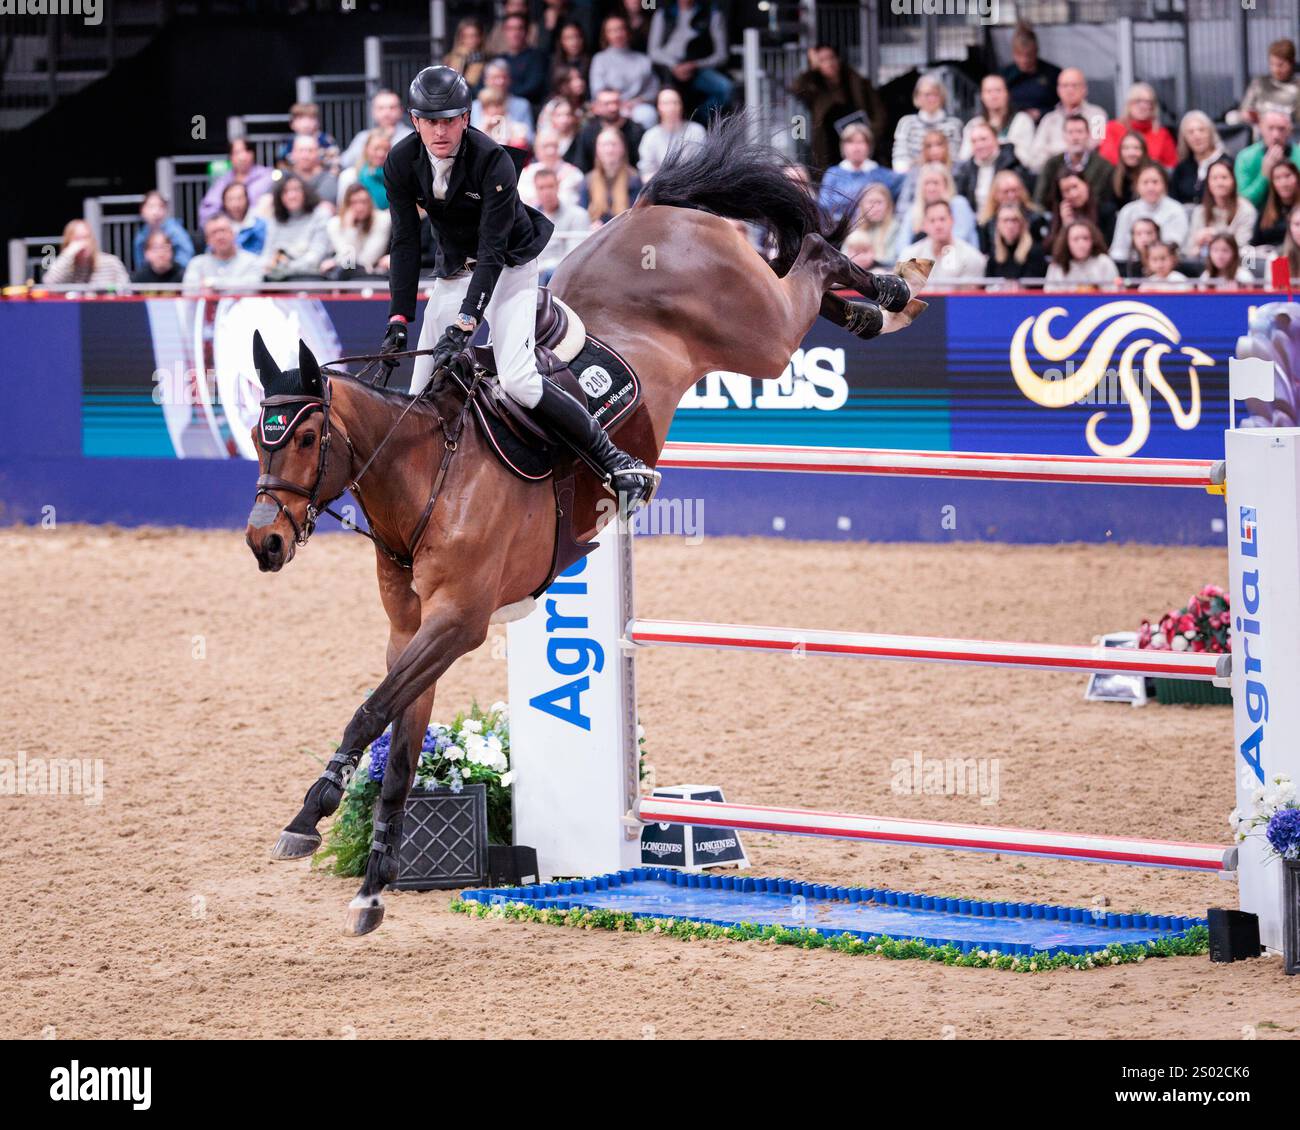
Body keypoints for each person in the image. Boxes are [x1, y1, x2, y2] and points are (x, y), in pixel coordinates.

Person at [380, 65, 658, 507]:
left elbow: (492, 252)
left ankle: (615, 461)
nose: (440, 130)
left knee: (519, 380)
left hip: (509, 264)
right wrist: (398, 318)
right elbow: (405, 241)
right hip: (456, 268)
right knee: (418, 391)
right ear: (415, 121)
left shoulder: (493, 160)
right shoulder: (398, 162)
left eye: (450, 119)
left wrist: (466, 324)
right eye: (430, 121)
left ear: (466, 117)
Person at [790, 42, 886, 175]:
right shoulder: (815, 87)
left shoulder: (856, 81)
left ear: (838, 59)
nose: (829, 63)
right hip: (829, 146)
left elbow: (879, 113)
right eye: (822, 60)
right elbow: (796, 88)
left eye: (831, 58)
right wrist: (812, 68)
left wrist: (869, 135)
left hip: (861, 139)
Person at [647, 0, 733, 121]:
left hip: (698, 67)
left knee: (725, 88)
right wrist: (674, 65)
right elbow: (653, 51)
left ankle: (699, 119)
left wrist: (695, 65)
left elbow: (721, 55)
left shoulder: (711, 13)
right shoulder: (663, 13)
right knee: (664, 97)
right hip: (667, 69)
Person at [817, 123, 902, 224]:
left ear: (869, 146)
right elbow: (824, 204)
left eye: (861, 142)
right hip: (839, 229)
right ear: (843, 147)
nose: (856, 147)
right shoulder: (833, 174)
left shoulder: (883, 175)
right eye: (851, 142)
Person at [1027, 68, 1108, 174]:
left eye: (1074, 85)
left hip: (1089, 175)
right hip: (1054, 176)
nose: (1070, 90)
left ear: (1084, 89)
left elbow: (1097, 147)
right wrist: (1070, 150)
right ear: (1058, 90)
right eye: (1065, 86)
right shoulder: (1049, 120)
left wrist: (1054, 150)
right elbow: (1034, 158)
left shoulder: (1097, 116)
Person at [588, 14, 659, 130]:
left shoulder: (643, 60)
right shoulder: (600, 59)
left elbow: (653, 90)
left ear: (627, 31)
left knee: (648, 115)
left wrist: (636, 102)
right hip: (610, 105)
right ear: (606, 35)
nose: (617, 34)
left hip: (637, 106)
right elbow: (598, 90)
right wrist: (617, 103)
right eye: (611, 30)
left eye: (620, 29)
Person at [895, 162, 977, 260]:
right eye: (927, 183)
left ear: (946, 185)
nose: (931, 188)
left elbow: (959, 238)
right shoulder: (914, 210)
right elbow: (902, 246)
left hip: (956, 259)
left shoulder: (958, 204)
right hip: (922, 262)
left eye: (936, 183)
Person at [1034, 114, 1114, 215]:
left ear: (1088, 134)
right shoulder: (1052, 165)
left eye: (1080, 132)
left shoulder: (1104, 167)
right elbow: (1040, 200)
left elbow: (1108, 202)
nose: (1075, 137)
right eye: (1070, 132)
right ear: (1064, 136)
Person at [1110, 162, 1187, 261]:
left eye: (1155, 182)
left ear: (1164, 184)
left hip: (1164, 265)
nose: (1150, 188)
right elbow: (1118, 249)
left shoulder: (1176, 210)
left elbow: (1175, 247)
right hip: (1132, 265)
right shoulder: (1127, 211)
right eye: (1145, 182)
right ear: (1137, 185)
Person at [261, 174, 331, 280]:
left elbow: (316, 256)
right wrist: (268, 266)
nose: (291, 196)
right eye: (285, 192)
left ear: (305, 192)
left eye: (296, 190)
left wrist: (287, 268)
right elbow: (267, 254)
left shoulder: (320, 215)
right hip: (277, 277)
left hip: (309, 276)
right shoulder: (275, 219)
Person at [953, 118, 1026, 218]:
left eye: (983, 139)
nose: (979, 145)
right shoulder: (966, 171)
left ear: (996, 139)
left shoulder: (1012, 164)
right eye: (974, 141)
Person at [1183, 160, 1256, 259]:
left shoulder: (1246, 210)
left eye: (1224, 177)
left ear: (1233, 180)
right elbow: (1188, 250)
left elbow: (1243, 246)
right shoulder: (1200, 211)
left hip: (1236, 264)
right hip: (1204, 266)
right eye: (1214, 178)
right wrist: (1198, 244)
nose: (1219, 183)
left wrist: (1215, 235)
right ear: (1208, 183)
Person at [900, 199, 986, 282]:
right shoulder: (909, 256)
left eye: (942, 219)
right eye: (932, 221)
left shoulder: (972, 258)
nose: (938, 225)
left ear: (952, 220)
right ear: (924, 225)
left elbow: (967, 295)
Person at [891, 73, 963, 174]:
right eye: (927, 95)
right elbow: (900, 158)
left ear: (942, 97)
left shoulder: (954, 125)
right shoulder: (907, 123)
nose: (931, 99)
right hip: (913, 176)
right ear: (917, 97)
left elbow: (956, 158)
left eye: (935, 94)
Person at [959, 73, 1035, 168]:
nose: (993, 96)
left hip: (1011, 173)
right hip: (980, 174)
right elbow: (964, 158)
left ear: (1007, 93)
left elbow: (1026, 158)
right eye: (988, 91)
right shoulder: (974, 124)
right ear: (982, 96)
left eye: (998, 90)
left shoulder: (1022, 120)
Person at [533, 166, 591, 280]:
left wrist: (543, 268)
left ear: (558, 186)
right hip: (534, 276)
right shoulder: (528, 218)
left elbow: (574, 257)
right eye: (541, 188)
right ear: (535, 190)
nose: (547, 192)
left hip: (563, 277)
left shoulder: (578, 215)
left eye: (550, 186)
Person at [1234, 109, 1300, 209]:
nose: (1276, 135)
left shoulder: (1298, 154)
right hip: (1259, 217)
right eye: (1270, 128)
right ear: (1261, 128)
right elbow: (1244, 203)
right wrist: (1264, 175)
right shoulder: (1245, 157)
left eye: (1281, 129)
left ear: (1289, 131)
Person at [1099, 83, 1176, 169]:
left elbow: (1171, 166)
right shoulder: (1111, 128)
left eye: (1148, 102)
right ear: (1128, 105)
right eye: (1137, 101)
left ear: (1153, 107)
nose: (1143, 106)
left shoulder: (1162, 134)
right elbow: (1106, 160)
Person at [199, 138, 275, 224]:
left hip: (261, 228)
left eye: (246, 151)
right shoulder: (223, 182)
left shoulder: (268, 176)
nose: (242, 157)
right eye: (237, 152)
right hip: (231, 229)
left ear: (253, 154)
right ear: (231, 157)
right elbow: (208, 209)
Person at [637, 87, 705, 182]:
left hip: (692, 184)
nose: (671, 107)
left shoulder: (696, 131)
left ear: (681, 105)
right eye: (666, 103)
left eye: (675, 102)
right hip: (660, 189)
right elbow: (646, 172)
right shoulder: (650, 136)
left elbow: (703, 164)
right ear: (658, 107)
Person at [324, 183, 392, 278]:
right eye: (354, 203)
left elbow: (366, 260)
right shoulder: (334, 224)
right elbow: (349, 263)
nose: (360, 208)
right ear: (346, 205)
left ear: (370, 202)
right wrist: (350, 228)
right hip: (346, 275)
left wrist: (337, 260)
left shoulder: (382, 220)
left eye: (364, 202)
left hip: (372, 276)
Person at [571, 86, 643, 173]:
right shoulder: (587, 133)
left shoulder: (636, 130)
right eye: (607, 104)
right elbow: (581, 166)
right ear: (596, 107)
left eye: (616, 102)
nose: (613, 108)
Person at [579, 126, 642, 226]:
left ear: (623, 148)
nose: (609, 150)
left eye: (613, 144)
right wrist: (590, 226)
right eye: (604, 145)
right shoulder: (587, 182)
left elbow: (638, 218)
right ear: (597, 149)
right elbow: (581, 216)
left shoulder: (634, 180)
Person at [975, 169, 1048, 255]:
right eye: (1006, 192)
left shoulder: (1036, 218)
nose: (1011, 196)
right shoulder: (986, 223)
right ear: (995, 195)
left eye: (1015, 190)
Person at [181, 215, 263, 290]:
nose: (219, 236)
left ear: (233, 233)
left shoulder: (252, 261)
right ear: (207, 240)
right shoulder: (197, 263)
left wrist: (212, 283)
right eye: (214, 232)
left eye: (223, 230)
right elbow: (189, 292)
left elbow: (252, 289)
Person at [999, 21, 1060, 121]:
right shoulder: (1006, 74)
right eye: (1019, 55)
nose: (1024, 60)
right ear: (1013, 53)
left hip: (1046, 121)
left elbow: (1062, 105)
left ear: (1036, 52)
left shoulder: (1052, 73)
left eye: (1028, 55)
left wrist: (1041, 113)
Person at [339, 90, 412, 170]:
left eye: (392, 108)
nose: (386, 112)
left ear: (401, 110)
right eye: (381, 108)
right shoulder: (363, 136)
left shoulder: (411, 136)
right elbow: (345, 162)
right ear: (373, 111)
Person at [43, 219, 130, 287]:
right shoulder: (65, 268)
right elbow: (49, 284)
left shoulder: (111, 262)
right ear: (68, 244)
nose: (84, 243)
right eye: (78, 239)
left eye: (86, 237)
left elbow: (128, 291)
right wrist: (67, 254)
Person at [471, 60, 537, 142]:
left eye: (504, 77)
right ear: (486, 80)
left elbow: (530, 138)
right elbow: (469, 139)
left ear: (510, 80)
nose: (501, 82)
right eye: (495, 77)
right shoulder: (475, 106)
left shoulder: (522, 105)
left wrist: (513, 128)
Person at [1045, 170, 1115, 248]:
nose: (1073, 194)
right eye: (1066, 190)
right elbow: (1050, 249)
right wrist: (1066, 227)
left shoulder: (1106, 211)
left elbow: (1107, 244)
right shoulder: (1059, 215)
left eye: (1075, 187)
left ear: (1086, 185)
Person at [1044, 219, 1119, 290]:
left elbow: (1116, 292)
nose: (1081, 244)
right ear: (1067, 242)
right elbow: (1048, 296)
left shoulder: (1104, 262)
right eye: (1076, 239)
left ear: (1093, 240)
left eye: (1085, 238)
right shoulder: (1057, 265)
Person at [1171, 111, 1227, 204]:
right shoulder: (1181, 168)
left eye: (1201, 130)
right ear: (1184, 138)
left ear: (1210, 133)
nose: (1197, 136)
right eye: (1190, 132)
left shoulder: (1226, 163)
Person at [496, 12, 550, 109]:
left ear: (527, 31)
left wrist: (504, 96)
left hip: (529, 109)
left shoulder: (537, 57)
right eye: (510, 29)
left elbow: (533, 88)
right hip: (497, 110)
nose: (515, 33)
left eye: (519, 28)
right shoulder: (498, 60)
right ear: (504, 31)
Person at [1239, 39, 1298, 125]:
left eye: (1280, 65)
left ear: (1292, 63)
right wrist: (1247, 115)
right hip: (1259, 134)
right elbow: (1244, 110)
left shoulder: (1297, 87)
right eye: (1272, 64)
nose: (1275, 70)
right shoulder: (1259, 83)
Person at [519, 128, 585, 206]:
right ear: (537, 150)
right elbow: (524, 202)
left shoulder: (573, 173)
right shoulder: (526, 173)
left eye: (554, 146)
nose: (551, 151)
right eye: (546, 146)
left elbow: (568, 202)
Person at [132, 190, 194, 271]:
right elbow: (140, 264)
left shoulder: (175, 231)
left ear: (166, 210)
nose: (156, 212)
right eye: (151, 207)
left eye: (160, 207)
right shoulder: (141, 236)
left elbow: (186, 256)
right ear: (142, 211)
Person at [984, 204, 1048, 282]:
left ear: (1023, 224)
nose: (1010, 225)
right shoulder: (994, 253)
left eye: (1014, 220)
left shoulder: (1035, 251)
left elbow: (1033, 287)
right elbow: (987, 286)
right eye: (1005, 220)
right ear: (998, 225)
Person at [843, 182, 898, 271]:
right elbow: (845, 254)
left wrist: (870, 259)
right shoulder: (856, 227)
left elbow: (894, 259)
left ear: (888, 204)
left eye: (879, 202)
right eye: (870, 202)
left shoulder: (895, 227)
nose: (875, 207)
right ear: (862, 205)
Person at [337, 129, 393, 211]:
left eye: (386, 149)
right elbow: (343, 208)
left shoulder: (396, 176)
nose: (381, 154)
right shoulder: (351, 175)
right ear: (366, 149)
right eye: (376, 149)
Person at [1252, 159, 1300, 249]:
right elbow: (1254, 245)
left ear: (1297, 177)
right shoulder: (1265, 211)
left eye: (1287, 176)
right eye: (1277, 178)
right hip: (1271, 259)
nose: (1283, 183)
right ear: (1272, 183)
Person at [219, 181, 267, 255]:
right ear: (224, 202)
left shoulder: (260, 224)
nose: (235, 204)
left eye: (239, 198)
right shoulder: (218, 226)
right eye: (231, 199)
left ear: (247, 199)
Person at [445, 17, 488, 91]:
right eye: (465, 36)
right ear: (460, 38)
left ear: (480, 37)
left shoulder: (486, 58)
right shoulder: (450, 58)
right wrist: (460, 57)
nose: (470, 41)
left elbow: (471, 83)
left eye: (474, 36)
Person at [1111, 130, 1151, 209]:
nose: (1131, 153)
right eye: (1126, 148)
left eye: (1136, 148)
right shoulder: (1114, 174)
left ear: (1144, 151)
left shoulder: (1152, 172)